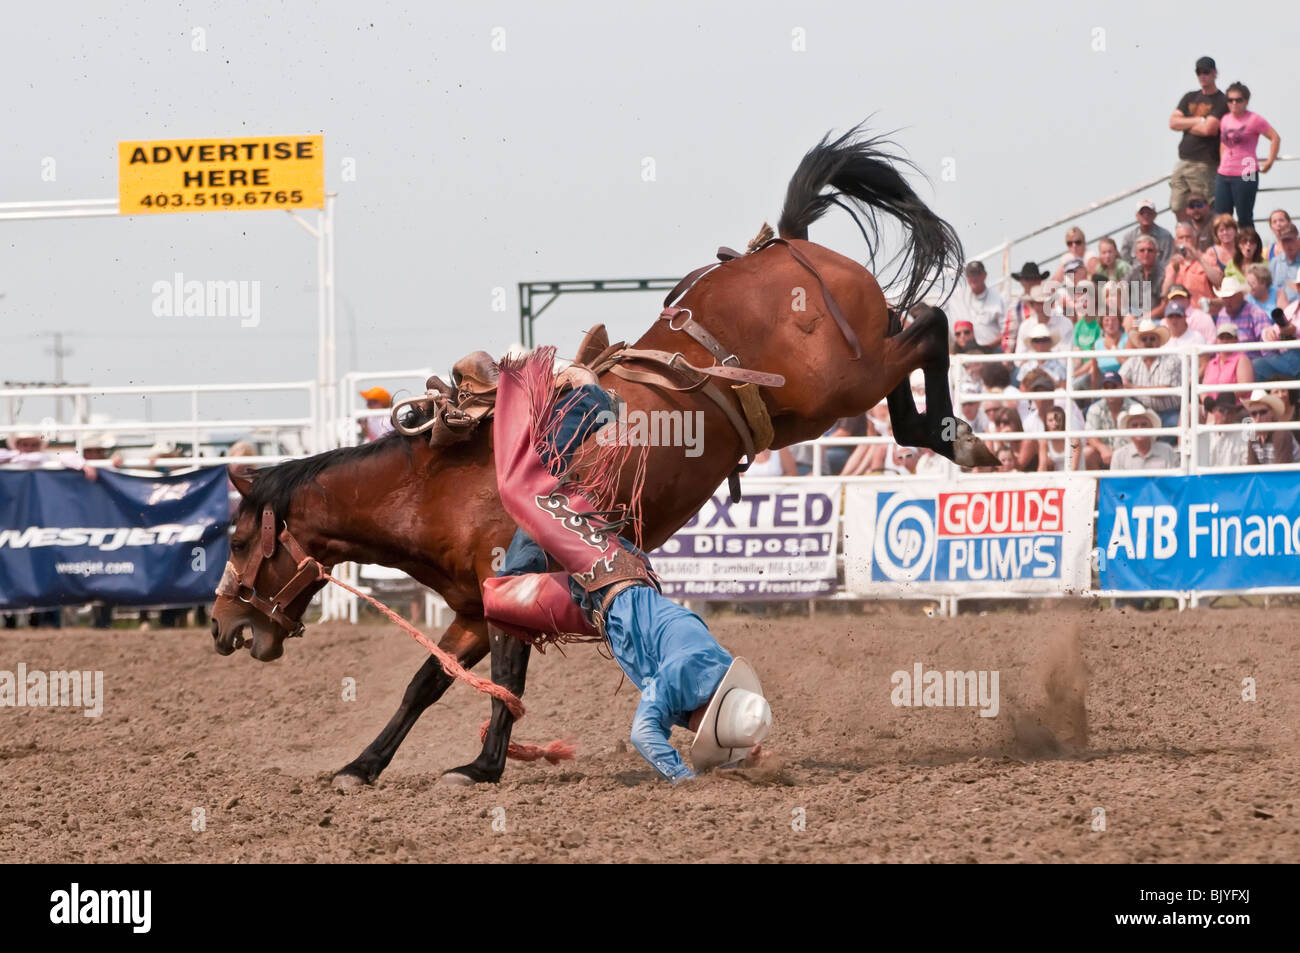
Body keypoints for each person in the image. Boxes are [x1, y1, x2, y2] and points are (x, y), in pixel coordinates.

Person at [485, 355, 771, 784]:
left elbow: (689, 714)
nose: (698, 734)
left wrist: (739, 754)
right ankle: (589, 399)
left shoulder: (712, 669)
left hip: (614, 589)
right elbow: (644, 735)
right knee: (524, 490)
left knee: (505, 595)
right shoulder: (681, 679)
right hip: (603, 570)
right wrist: (682, 776)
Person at [1168, 56, 1228, 224]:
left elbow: (1210, 129)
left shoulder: (1221, 100)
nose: (1203, 76)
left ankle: (1207, 240)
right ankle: (1189, 237)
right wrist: (1198, 121)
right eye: (1199, 72)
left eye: (1206, 72)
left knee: (1205, 207)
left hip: (1205, 163)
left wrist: (1185, 123)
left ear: (1215, 73)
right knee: (1177, 205)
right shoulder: (1189, 97)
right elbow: (1172, 122)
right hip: (1183, 160)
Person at [1214, 82, 1280, 228]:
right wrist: (1222, 162)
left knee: (1244, 216)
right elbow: (1223, 143)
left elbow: (1275, 137)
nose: (1234, 103)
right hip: (1224, 172)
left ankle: (1250, 248)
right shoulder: (1225, 119)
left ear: (1246, 101)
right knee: (1221, 218)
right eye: (1230, 100)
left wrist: (1269, 161)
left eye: (1238, 100)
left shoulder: (1254, 119)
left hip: (1247, 170)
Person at [1119, 317, 1182, 430]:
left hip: (1169, 412)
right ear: (1139, 343)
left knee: (1172, 426)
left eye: (1152, 338)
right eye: (1144, 339)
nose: (1148, 342)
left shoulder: (1171, 360)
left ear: (1159, 342)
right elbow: (1120, 381)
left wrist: (1131, 386)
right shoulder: (1134, 360)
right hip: (1143, 414)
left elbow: (1163, 391)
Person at [1083, 372, 1141, 470]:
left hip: (1129, 453)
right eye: (1106, 387)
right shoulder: (1095, 408)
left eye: (1114, 386)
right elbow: (1090, 435)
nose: (1110, 390)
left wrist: (1119, 454)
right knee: (1087, 453)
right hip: (1105, 455)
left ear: (1121, 388)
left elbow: (1141, 437)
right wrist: (1102, 449)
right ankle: (1098, 485)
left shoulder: (1134, 407)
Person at [948, 261, 1006, 351]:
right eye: (970, 275)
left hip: (992, 349)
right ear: (966, 278)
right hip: (965, 349)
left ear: (985, 275)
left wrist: (987, 348)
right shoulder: (957, 296)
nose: (974, 278)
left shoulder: (998, 298)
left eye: (977, 274)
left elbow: (1006, 331)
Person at [1212, 275, 1274, 356]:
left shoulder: (1255, 313)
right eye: (1224, 297)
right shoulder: (1222, 314)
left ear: (1240, 295)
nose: (1227, 301)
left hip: (1250, 363)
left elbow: (1267, 344)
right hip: (1227, 363)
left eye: (1231, 297)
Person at [1111, 406, 1179, 470]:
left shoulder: (1167, 451)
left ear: (1151, 427)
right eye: (1134, 425)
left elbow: (1175, 481)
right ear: (1128, 429)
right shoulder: (1119, 456)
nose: (1139, 428)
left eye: (1144, 425)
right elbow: (1115, 482)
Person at [1003, 261, 1051, 352]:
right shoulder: (1015, 307)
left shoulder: (1050, 302)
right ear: (1021, 282)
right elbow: (1009, 335)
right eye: (1027, 279)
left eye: (1034, 279)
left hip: (1048, 347)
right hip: (1026, 352)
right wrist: (1008, 352)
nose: (1031, 282)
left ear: (1039, 281)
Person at [1201, 322, 1254, 401]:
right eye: (1222, 337)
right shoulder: (1211, 363)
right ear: (1217, 340)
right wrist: (1206, 400)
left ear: (1236, 339)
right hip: (1213, 407)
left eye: (1229, 337)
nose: (1225, 340)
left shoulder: (1242, 359)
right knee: (1189, 408)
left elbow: (1244, 386)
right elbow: (1203, 389)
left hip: (1234, 406)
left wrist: (1225, 399)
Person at [1164, 225, 1216, 306]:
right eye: (1181, 238)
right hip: (1181, 314)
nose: (1185, 241)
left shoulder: (1207, 259)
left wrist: (1199, 258)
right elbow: (1165, 293)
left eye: (1188, 237)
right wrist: (1174, 270)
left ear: (1195, 239)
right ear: (1176, 242)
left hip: (1205, 311)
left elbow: (1219, 282)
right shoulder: (1173, 264)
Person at [1014, 284, 1073, 354]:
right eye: (1037, 304)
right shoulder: (1025, 326)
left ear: (1051, 304)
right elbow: (1019, 358)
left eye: (1044, 303)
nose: (1041, 307)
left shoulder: (1065, 324)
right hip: (1032, 364)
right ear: (1032, 305)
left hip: (1056, 364)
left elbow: (1065, 355)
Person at [1244, 389, 1298, 464]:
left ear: (1272, 412)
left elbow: (1284, 472)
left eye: (1263, 412)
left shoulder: (1281, 434)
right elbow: (1251, 470)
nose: (1258, 417)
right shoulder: (1252, 435)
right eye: (1254, 413)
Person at [1251, 300, 1300, 381]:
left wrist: (1295, 330)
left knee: (1257, 365)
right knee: (1256, 366)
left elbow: (1294, 328)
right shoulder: (1293, 307)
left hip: (1295, 357)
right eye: (1298, 286)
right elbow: (1275, 329)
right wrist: (1268, 333)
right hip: (1286, 357)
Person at [1120, 198, 1174, 271]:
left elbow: (1168, 261)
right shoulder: (1128, 237)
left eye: (1149, 213)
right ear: (1137, 216)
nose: (1146, 215)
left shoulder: (1166, 236)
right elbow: (1125, 262)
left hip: (1160, 276)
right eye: (1142, 213)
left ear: (1155, 215)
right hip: (1135, 277)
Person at [1200, 394, 1252, 468]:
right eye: (1222, 411)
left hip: (1234, 478)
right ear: (1213, 410)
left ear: (1235, 414)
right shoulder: (1204, 432)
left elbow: (1246, 462)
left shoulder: (1242, 433)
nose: (1225, 415)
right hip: (1208, 478)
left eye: (1230, 412)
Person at [1200, 214, 1242, 290]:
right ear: (1217, 234)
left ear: (1235, 230)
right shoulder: (1211, 252)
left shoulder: (1242, 250)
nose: (1225, 233)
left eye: (1228, 229)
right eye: (1221, 230)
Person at [1127, 236, 1164, 316]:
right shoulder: (1133, 273)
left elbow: (1165, 304)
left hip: (1155, 319)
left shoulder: (1163, 274)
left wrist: (1146, 317)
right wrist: (1127, 316)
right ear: (1137, 254)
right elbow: (1119, 292)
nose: (1146, 253)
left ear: (1156, 253)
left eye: (1150, 250)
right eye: (1142, 250)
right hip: (1134, 317)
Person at [1037, 406, 1080, 472]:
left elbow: (1074, 468)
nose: (1055, 423)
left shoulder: (1074, 439)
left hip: (1076, 478)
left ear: (1063, 422)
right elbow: (1042, 466)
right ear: (1046, 423)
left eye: (1058, 420)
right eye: (1050, 420)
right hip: (1057, 479)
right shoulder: (1044, 441)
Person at [1269, 223, 1300, 298]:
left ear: (1298, 240)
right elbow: (1269, 289)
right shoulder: (1275, 263)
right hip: (1279, 306)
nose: (1288, 245)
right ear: (1280, 243)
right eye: (1284, 241)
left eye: (1290, 240)